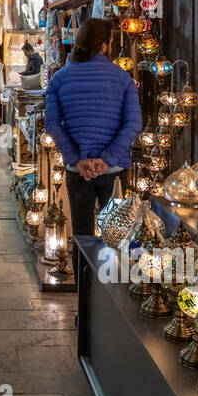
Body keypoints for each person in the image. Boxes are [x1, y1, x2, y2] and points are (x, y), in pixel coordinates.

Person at [45, 17, 142, 237]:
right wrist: (106, 159)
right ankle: (110, 272)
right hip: (114, 170)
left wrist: (77, 160)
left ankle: (83, 272)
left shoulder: (59, 79)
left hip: (78, 171)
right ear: (104, 45)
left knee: (82, 235)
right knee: (115, 237)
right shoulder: (123, 79)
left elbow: (52, 124)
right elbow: (133, 124)